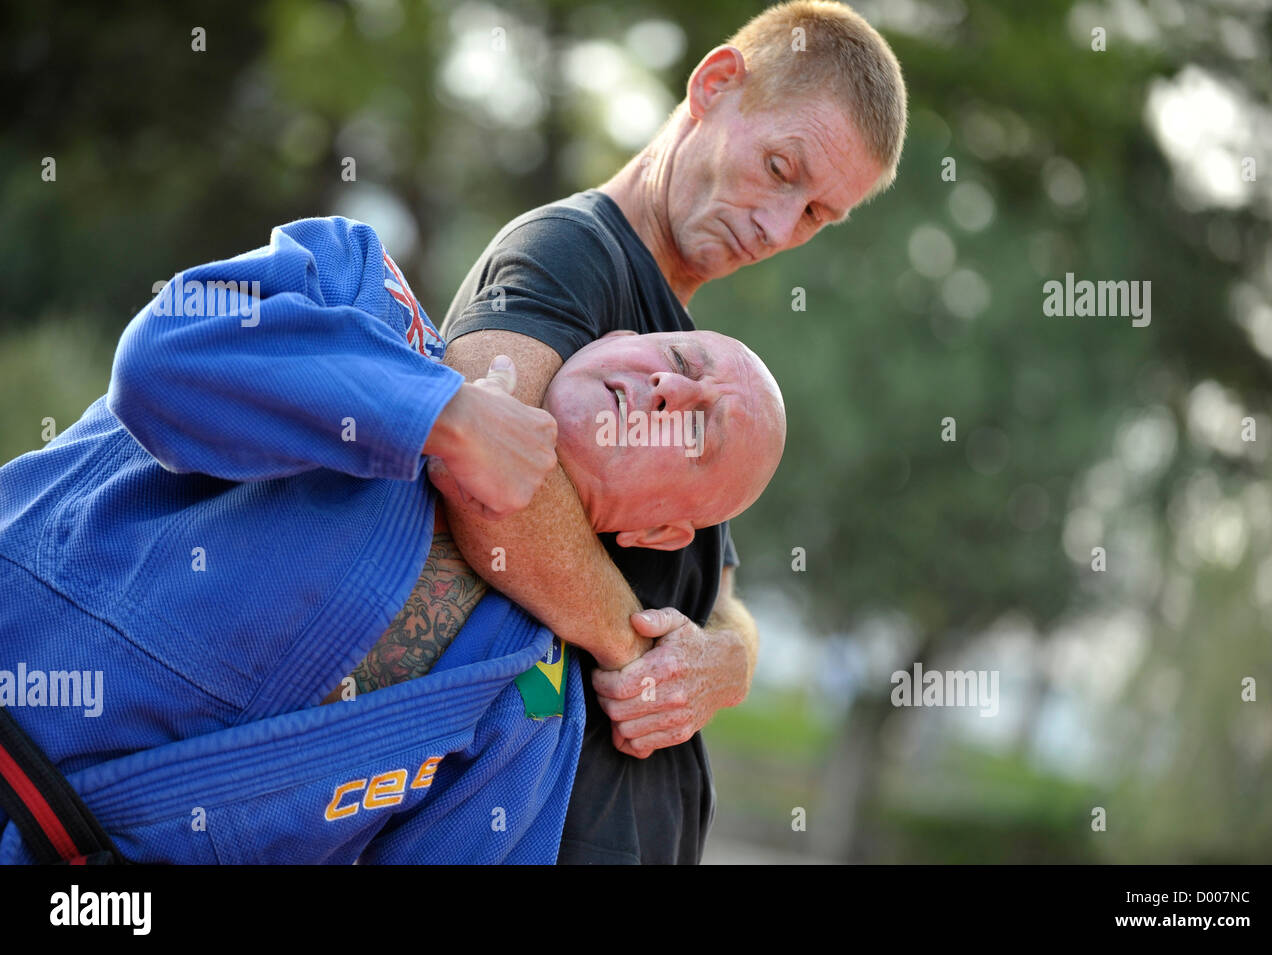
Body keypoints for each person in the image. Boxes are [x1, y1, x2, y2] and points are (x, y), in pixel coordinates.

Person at [0, 213, 785, 863]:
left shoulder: (533, 712)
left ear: (656, 530)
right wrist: (440, 413)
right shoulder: (363, 295)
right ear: (611, 336)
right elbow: (159, 357)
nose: (668, 390)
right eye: (680, 358)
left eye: (699, 428)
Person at [435, 0, 907, 863]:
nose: (775, 227)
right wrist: (631, 646)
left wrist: (723, 664)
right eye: (779, 167)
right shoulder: (566, 252)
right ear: (715, 85)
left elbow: (713, 592)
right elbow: (478, 468)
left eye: (813, 216)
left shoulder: (689, 342)